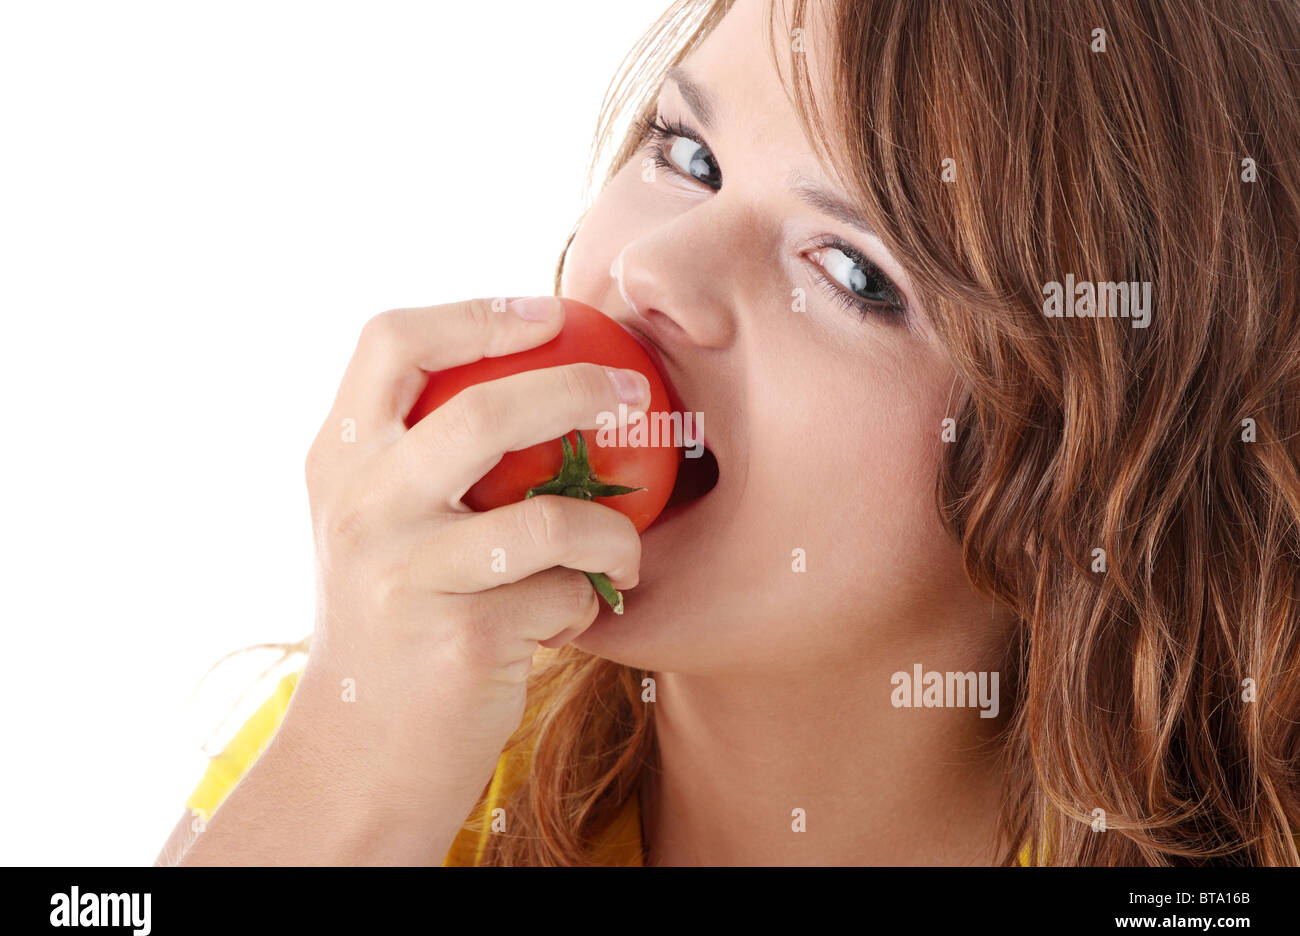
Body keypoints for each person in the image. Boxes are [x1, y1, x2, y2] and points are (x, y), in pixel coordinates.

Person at [157, 0, 1300, 866]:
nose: (656, 268)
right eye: (686, 154)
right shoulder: (393, 735)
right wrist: (349, 779)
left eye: (854, 271)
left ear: (1097, 475)